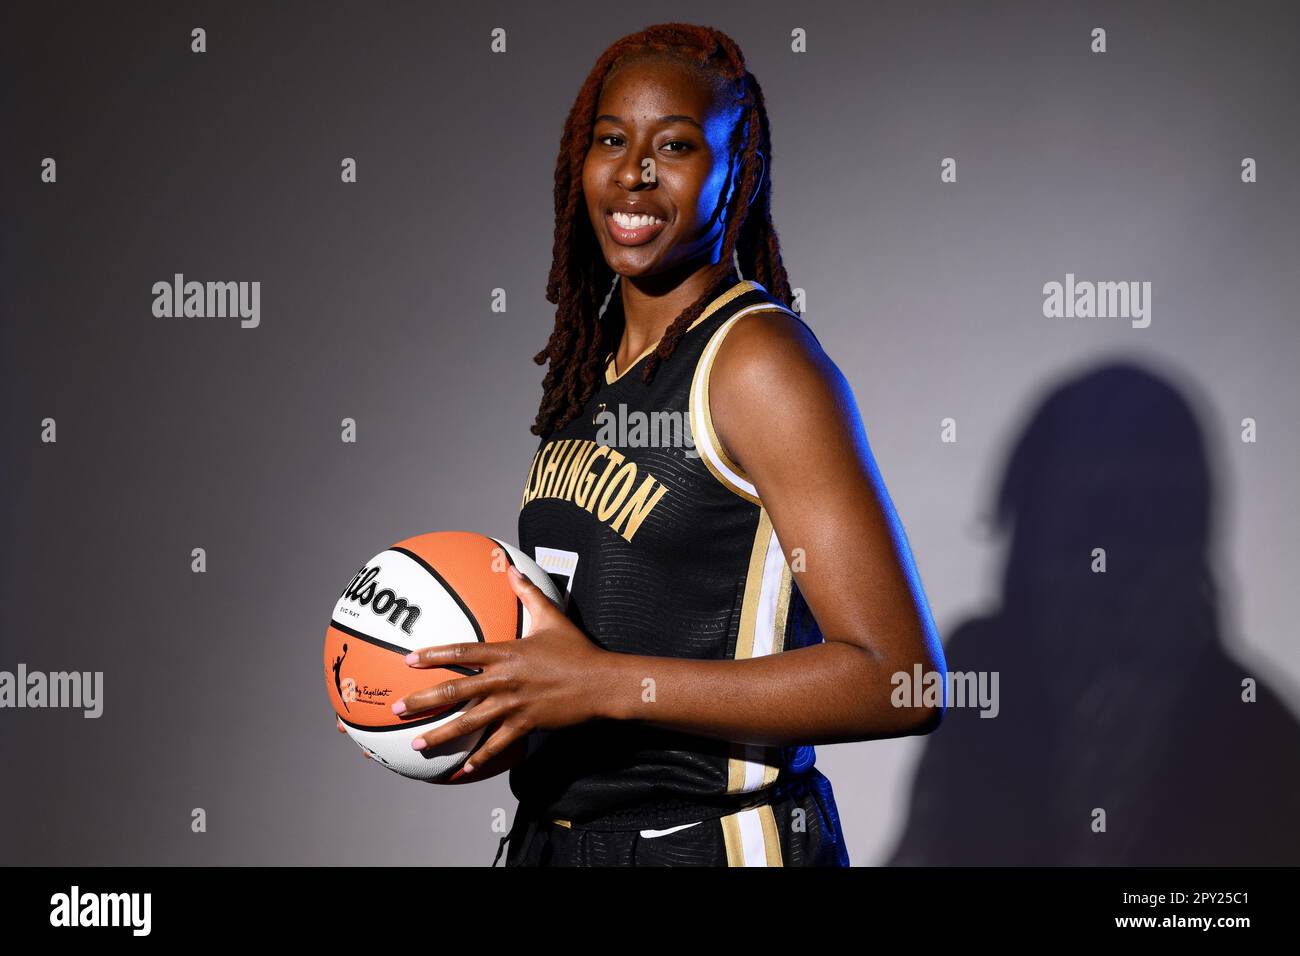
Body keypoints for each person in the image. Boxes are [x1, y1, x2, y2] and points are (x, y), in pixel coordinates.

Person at [351, 22, 946, 866]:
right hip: (557, 840)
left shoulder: (756, 362)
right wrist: (500, 696)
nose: (634, 171)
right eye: (611, 140)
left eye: (675, 145)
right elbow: (612, 630)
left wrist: (602, 686)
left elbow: (899, 681)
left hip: (704, 840)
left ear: (736, 169)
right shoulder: (590, 364)